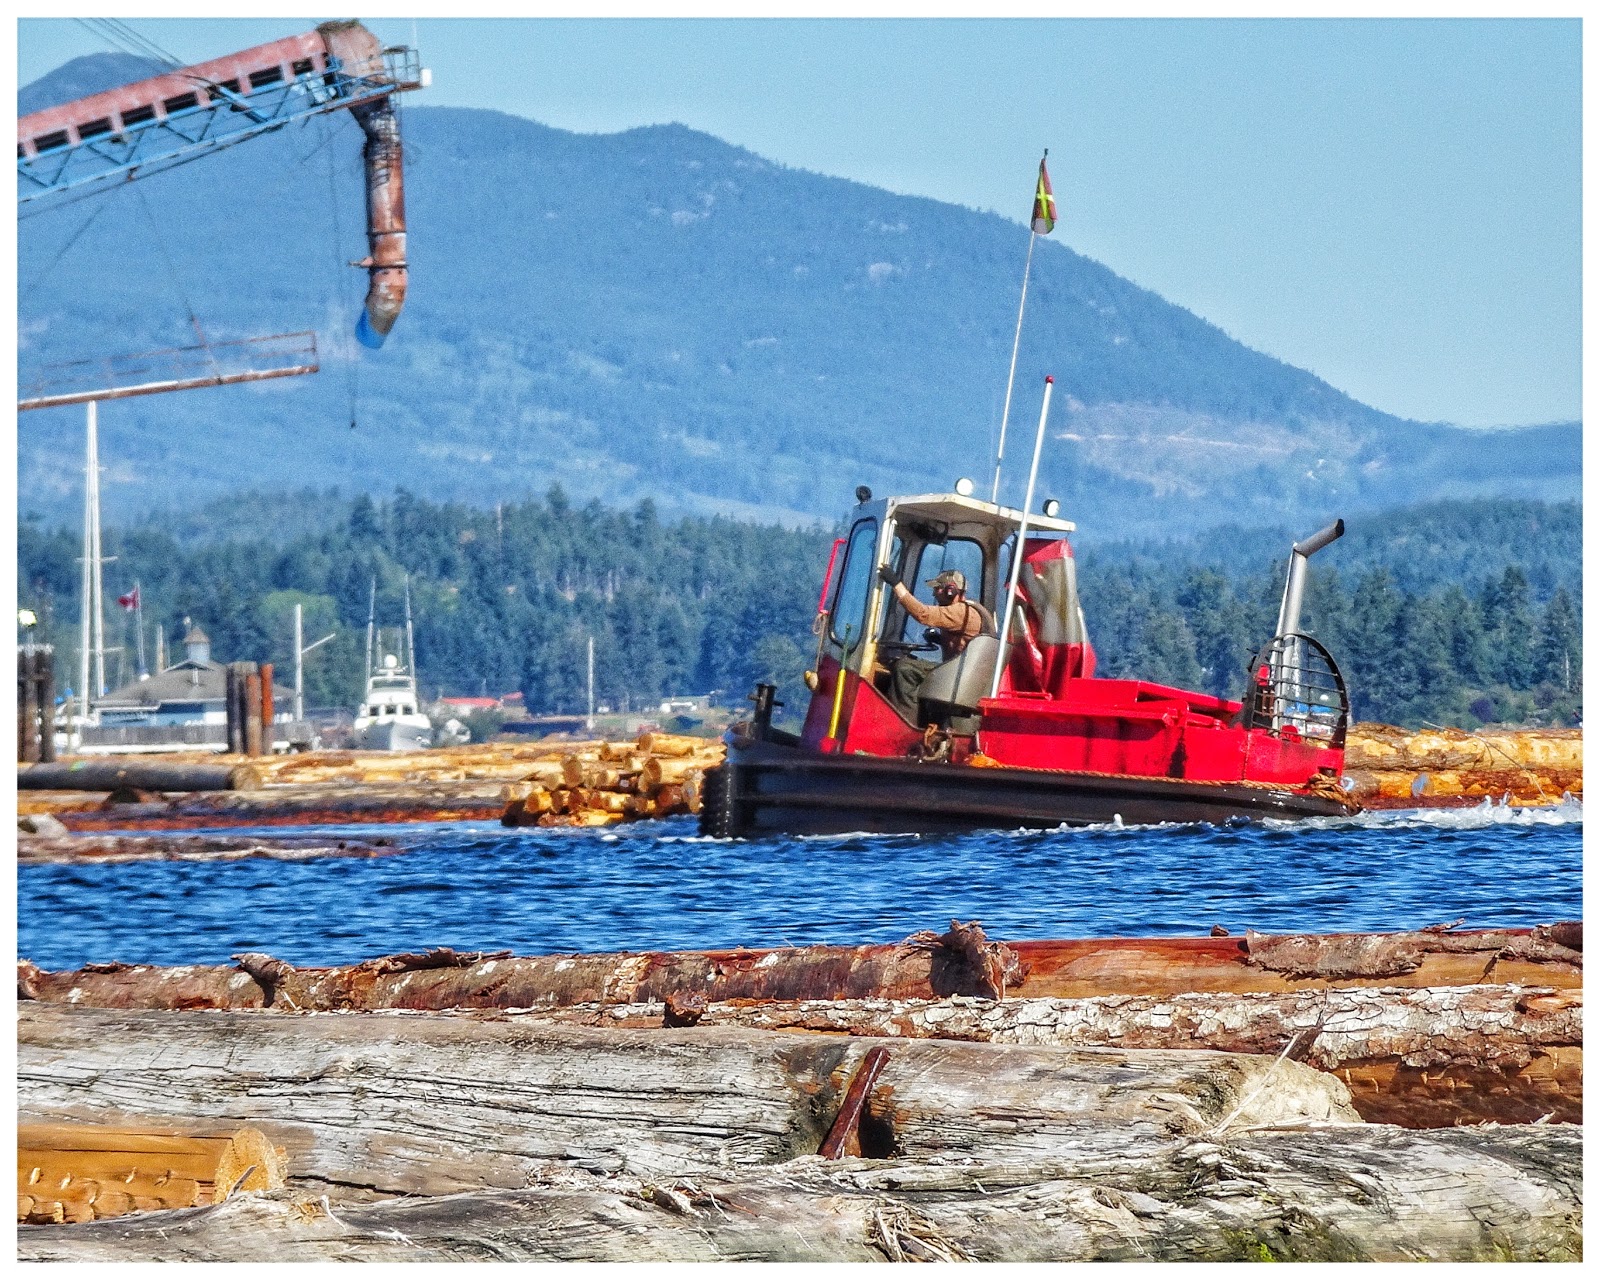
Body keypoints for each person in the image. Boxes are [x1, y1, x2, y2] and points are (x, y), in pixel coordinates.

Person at [876, 566, 994, 716]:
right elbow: (964, 644)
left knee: (905, 669)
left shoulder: (960, 612)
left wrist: (896, 584)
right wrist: (938, 639)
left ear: (950, 591)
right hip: (954, 673)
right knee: (912, 664)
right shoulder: (963, 612)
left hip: (955, 677)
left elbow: (923, 614)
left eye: (937, 589)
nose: (933, 593)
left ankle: (902, 722)